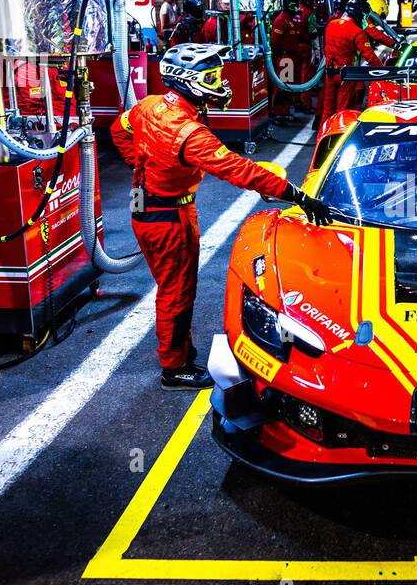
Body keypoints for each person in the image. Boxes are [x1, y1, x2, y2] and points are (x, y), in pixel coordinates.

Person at [109, 42, 333, 388]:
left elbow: (119, 131)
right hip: (170, 217)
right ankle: (175, 367)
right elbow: (240, 170)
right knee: (176, 292)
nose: (219, 82)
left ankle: (179, 352)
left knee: (171, 288)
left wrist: (142, 165)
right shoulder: (188, 133)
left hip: (146, 208)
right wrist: (298, 196)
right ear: (186, 79)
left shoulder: (149, 105)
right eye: (210, 76)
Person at [320, 0, 388, 127]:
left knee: (327, 111)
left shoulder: (331, 24)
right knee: (342, 111)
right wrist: (384, 70)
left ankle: (322, 138)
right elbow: (369, 56)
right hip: (345, 76)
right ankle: (337, 141)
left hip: (329, 74)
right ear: (360, 15)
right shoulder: (357, 32)